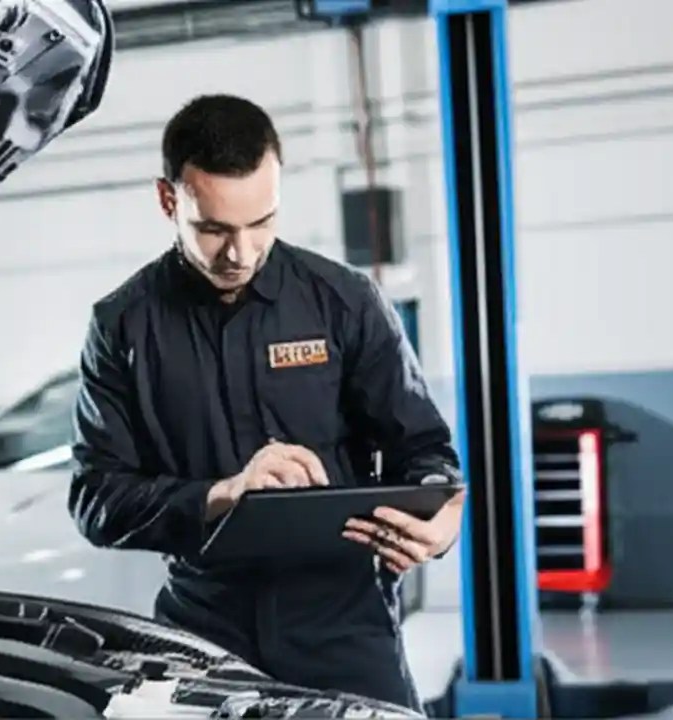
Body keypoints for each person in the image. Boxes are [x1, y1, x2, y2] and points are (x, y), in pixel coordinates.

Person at [67, 93, 466, 710]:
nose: (243, 253)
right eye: (215, 229)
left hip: (345, 622)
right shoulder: (123, 326)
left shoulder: (345, 301)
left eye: (262, 222)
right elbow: (97, 501)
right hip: (204, 629)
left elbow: (426, 451)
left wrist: (441, 525)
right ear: (169, 200)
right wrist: (223, 494)